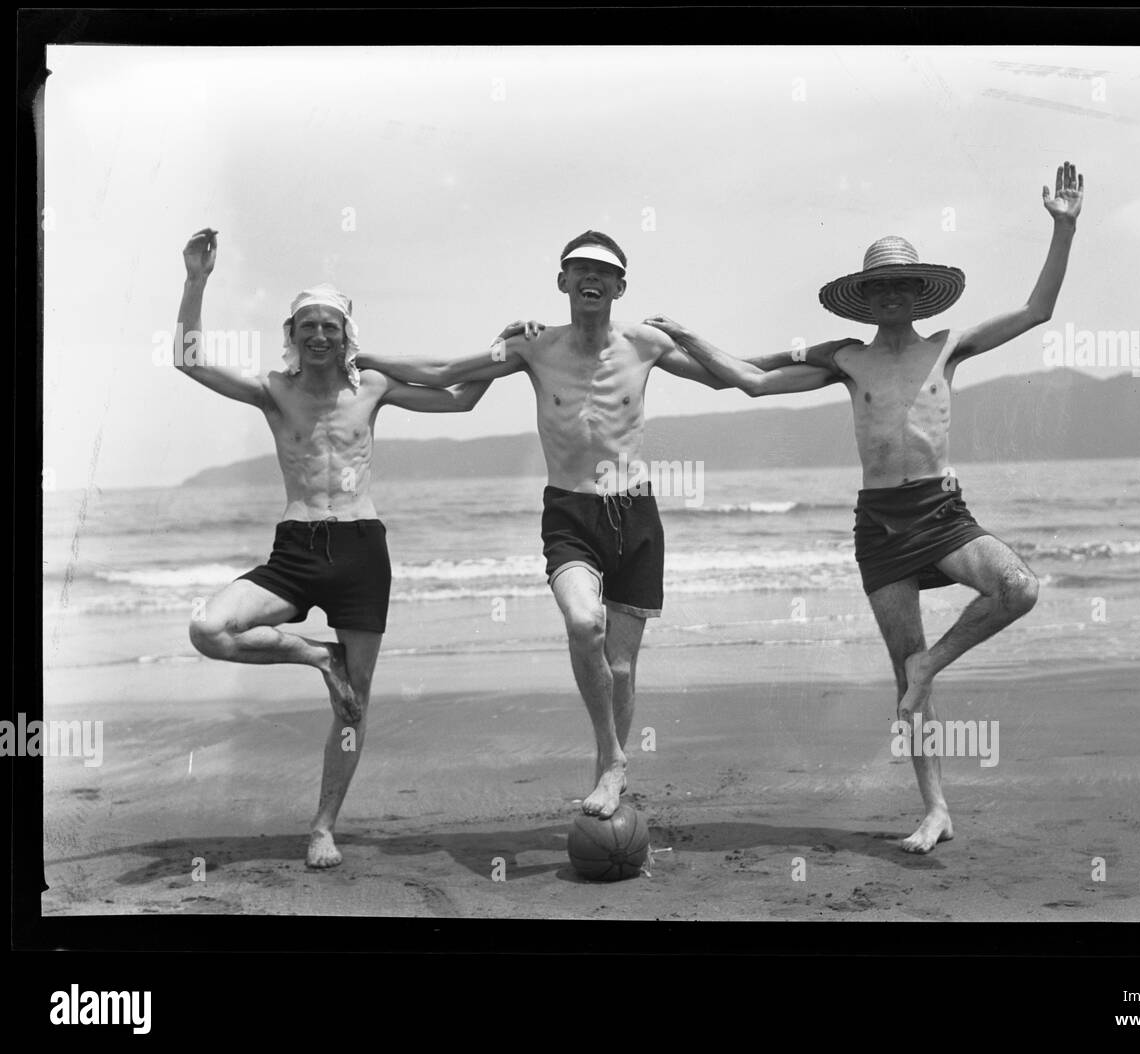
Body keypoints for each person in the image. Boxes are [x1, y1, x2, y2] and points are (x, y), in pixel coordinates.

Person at [646, 162, 1084, 852]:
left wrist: (1064, 227)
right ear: (865, 299)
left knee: (1018, 588)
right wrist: (686, 339)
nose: (892, 295)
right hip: (881, 524)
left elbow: (1038, 311)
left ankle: (930, 665)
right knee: (900, 660)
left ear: (921, 293)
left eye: (903, 285)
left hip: (942, 513)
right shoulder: (845, 358)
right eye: (879, 287)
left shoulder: (950, 346)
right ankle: (935, 808)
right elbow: (751, 381)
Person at [357, 231, 850, 818]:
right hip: (569, 512)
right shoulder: (532, 347)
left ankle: (606, 774)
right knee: (583, 621)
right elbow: (443, 373)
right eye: (579, 268)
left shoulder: (644, 343)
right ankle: (615, 756)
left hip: (634, 514)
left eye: (604, 271)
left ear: (620, 286)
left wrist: (819, 358)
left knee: (620, 666)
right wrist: (366, 359)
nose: (591, 277)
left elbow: (732, 375)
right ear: (562, 281)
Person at [175, 227, 496, 867]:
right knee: (209, 629)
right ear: (291, 335)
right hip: (294, 549)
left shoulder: (371, 387)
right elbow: (189, 360)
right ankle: (320, 658)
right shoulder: (274, 390)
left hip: (359, 550)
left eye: (330, 326)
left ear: (346, 334)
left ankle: (323, 826)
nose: (319, 335)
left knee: (356, 705)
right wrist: (196, 278)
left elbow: (458, 400)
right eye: (307, 326)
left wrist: (509, 352)